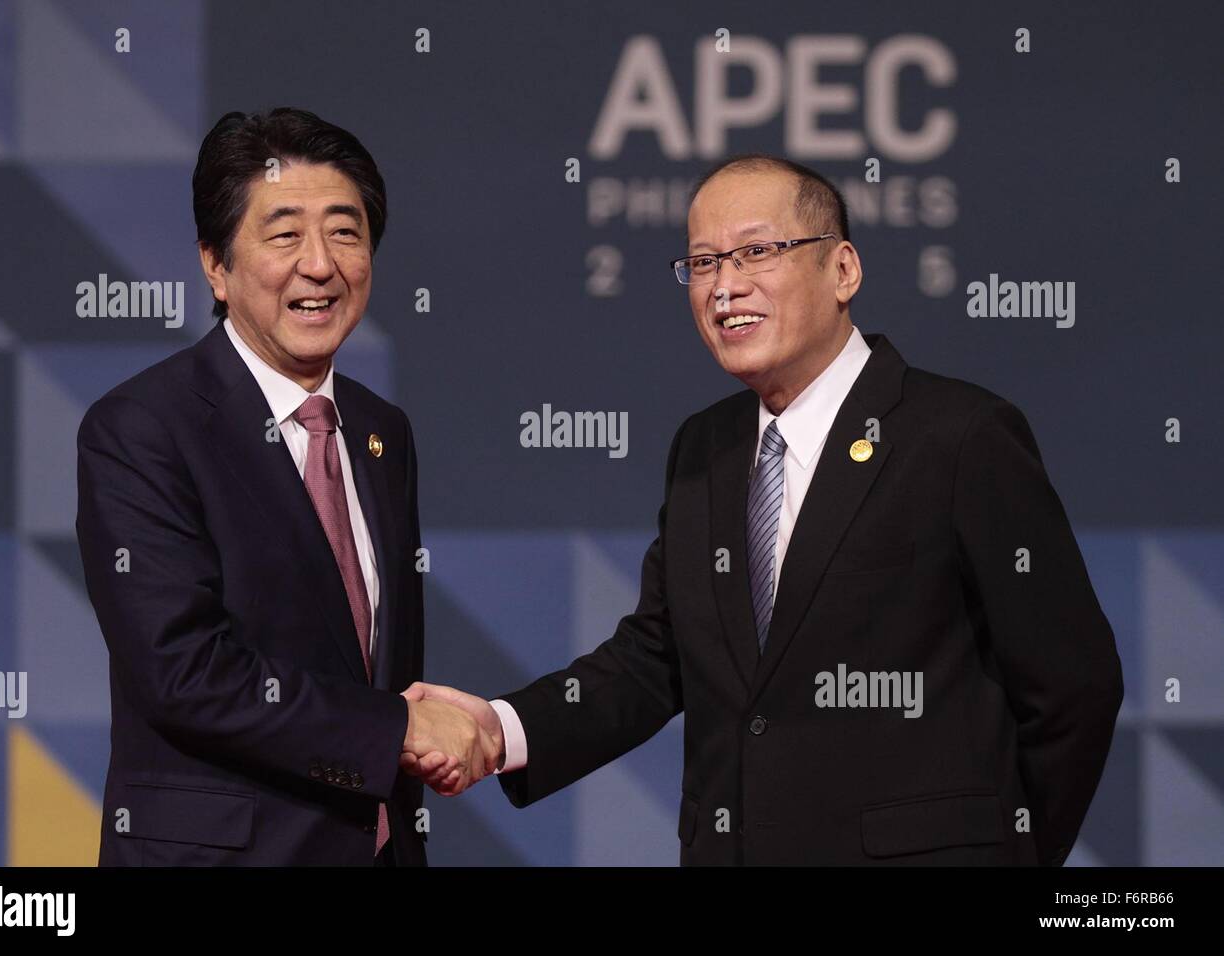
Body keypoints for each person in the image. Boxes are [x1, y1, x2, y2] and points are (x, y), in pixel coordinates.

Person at [402, 154, 1124, 866]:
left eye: (757, 251)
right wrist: (501, 729)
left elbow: (1073, 686)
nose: (725, 287)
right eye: (704, 263)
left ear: (843, 269)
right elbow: (657, 658)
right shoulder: (705, 448)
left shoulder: (958, 435)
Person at [76, 107, 495, 866]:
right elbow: (186, 672)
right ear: (216, 264)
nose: (320, 264)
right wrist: (395, 732)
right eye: (283, 234)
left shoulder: (380, 431)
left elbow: (367, 663)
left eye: (344, 230)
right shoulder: (142, 428)